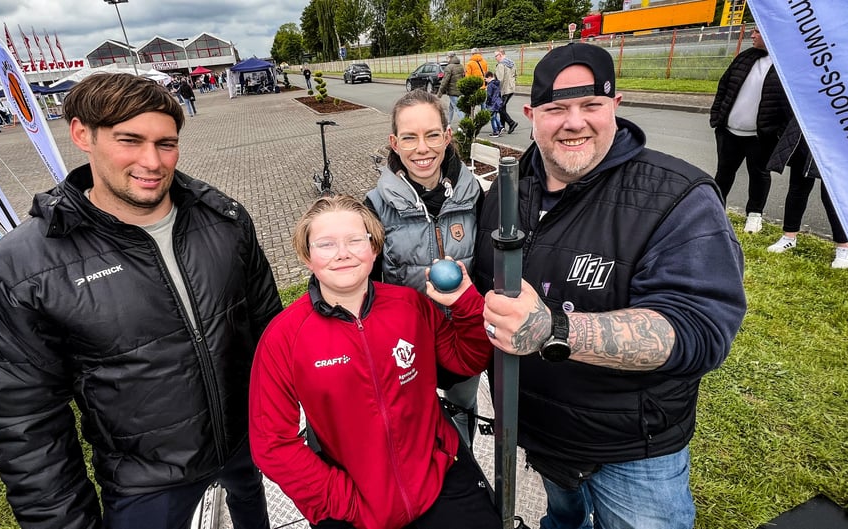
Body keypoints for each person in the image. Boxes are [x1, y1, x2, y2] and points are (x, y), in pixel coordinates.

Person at [0, 73, 282, 529]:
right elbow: (26, 427)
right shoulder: (19, 267)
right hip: (145, 490)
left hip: (244, 459)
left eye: (166, 144)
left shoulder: (225, 219)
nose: (152, 161)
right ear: (81, 135)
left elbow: (271, 335)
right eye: (129, 140)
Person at [472, 43, 747, 529]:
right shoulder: (506, 193)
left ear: (615, 107)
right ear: (531, 114)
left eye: (591, 106)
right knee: (563, 520)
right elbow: (482, 293)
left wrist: (554, 328)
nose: (574, 122)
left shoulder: (677, 197)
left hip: (632, 454)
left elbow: (698, 331)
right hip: (539, 434)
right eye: (557, 109)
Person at [249, 194, 499, 529]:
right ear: (307, 257)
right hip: (352, 505)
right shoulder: (284, 337)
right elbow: (272, 443)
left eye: (356, 240)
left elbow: (466, 360)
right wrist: (339, 500)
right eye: (326, 244)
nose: (343, 253)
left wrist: (466, 304)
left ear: (374, 249)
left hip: (439, 480)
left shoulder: (410, 306)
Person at [364, 89, 484, 446]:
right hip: (407, 344)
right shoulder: (374, 207)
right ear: (394, 143)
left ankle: (464, 470)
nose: (422, 148)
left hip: (464, 340)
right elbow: (365, 285)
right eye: (409, 137)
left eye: (432, 135)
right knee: (414, 424)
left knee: (463, 412)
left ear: (448, 137)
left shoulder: (476, 197)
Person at [709, 26, 786, 234]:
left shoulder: (785, 65)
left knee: (759, 174)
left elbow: (788, 105)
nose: (752, 35)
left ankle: (754, 215)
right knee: (724, 173)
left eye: (757, 32)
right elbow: (723, 87)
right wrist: (717, 117)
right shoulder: (745, 58)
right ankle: (714, 210)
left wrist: (776, 131)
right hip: (729, 131)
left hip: (760, 136)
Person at [765, 118, 848, 268]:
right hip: (806, 134)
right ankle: (789, 236)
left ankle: (844, 247)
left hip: (837, 139)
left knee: (832, 195)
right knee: (797, 188)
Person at [493, 47, 519, 134]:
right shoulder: (511, 63)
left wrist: (495, 89)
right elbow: (515, 75)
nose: (495, 58)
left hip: (504, 89)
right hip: (511, 88)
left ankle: (511, 123)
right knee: (503, 107)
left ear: (500, 55)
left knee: (500, 108)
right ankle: (502, 126)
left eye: (495, 56)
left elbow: (499, 79)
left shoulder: (501, 65)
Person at [436, 51, 465, 125]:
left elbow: (444, 81)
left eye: (447, 57)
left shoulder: (449, 67)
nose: (446, 59)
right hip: (460, 91)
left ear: (450, 57)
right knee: (451, 108)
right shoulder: (461, 66)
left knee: (458, 109)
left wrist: (439, 94)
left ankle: (464, 126)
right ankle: (448, 123)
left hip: (453, 92)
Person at [484, 71, 503, 138]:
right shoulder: (497, 83)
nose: (485, 81)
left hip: (492, 103)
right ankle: (500, 127)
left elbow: (489, 95)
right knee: (494, 116)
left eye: (485, 79)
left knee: (492, 118)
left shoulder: (490, 85)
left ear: (489, 77)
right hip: (497, 102)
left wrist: (487, 102)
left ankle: (495, 131)